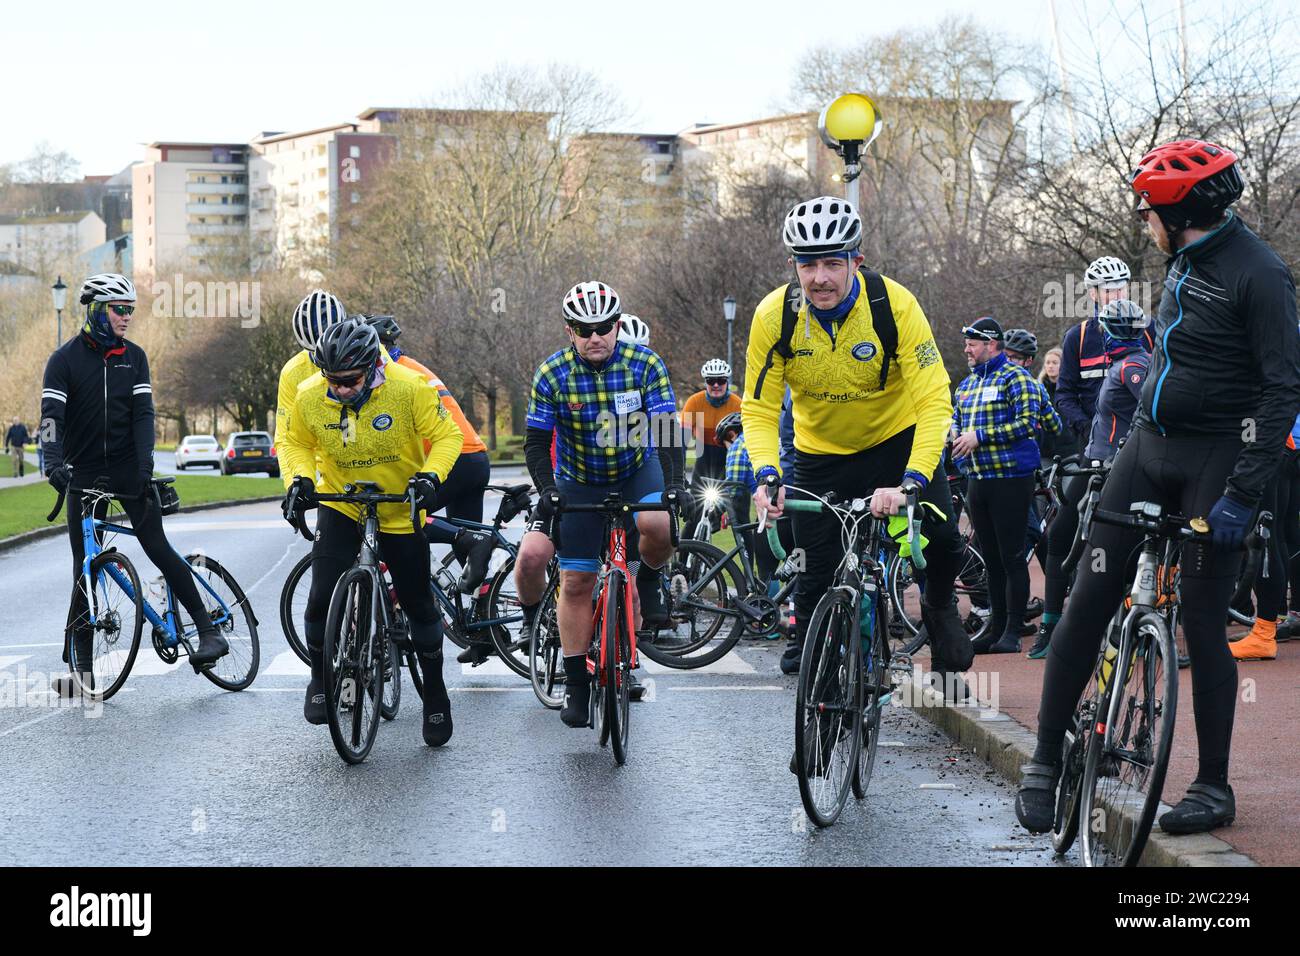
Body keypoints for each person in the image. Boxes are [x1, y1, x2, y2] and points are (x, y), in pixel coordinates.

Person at [1017, 139, 1300, 837]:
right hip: (1147, 445)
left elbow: (1282, 387)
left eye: (1149, 207)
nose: (1144, 218)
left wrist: (1245, 490)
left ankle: (1211, 786)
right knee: (1089, 594)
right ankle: (1046, 761)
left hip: (1215, 460)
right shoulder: (1182, 259)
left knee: (1203, 619)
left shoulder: (1260, 274)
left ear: (1178, 210)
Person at [743, 196, 972, 700]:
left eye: (832, 263)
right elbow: (758, 410)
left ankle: (936, 607)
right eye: (808, 264)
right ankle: (820, 699)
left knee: (944, 543)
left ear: (856, 262)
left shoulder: (894, 306)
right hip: (820, 455)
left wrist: (912, 480)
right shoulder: (774, 316)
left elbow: (935, 400)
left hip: (898, 443)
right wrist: (766, 475)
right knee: (813, 567)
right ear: (793, 266)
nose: (820, 277)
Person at [42, 273, 229, 696]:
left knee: (157, 546)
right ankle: (82, 671)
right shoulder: (64, 360)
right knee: (83, 568)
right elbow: (52, 419)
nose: (127, 317)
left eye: (131, 309)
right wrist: (53, 464)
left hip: (129, 468)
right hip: (83, 471)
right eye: (119, 309)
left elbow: (144, 416)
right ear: (97, 311)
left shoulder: (136, 358)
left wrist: (144, 466)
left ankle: (207, 631)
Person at [279, 318, 463, 745]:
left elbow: (448, 435)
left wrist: (430, 477)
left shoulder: (409, 388)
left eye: (351, 381)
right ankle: (318, 679)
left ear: (372, 367)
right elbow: (294, 443)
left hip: (401, 502)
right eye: (333, 381)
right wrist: (300, 480)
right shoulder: (309, 397)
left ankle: (434, 693)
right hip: (341, 500)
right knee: (321, 596)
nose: (340, 389)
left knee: (418, 603)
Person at [523, 282, 686, 728]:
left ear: (617, 326)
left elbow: (668, 429)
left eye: (603, 328)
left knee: (660, 524)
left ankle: (647, 581)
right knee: (576, 581)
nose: (595, 337)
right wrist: (547, 489)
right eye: (583, 329)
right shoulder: (552, 373)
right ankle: (576, 683)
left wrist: (675, 485)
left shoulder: (645, 363)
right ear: (569, 331)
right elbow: (536, 444)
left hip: (637, 467)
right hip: (580, 479)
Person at [360, 314, 495, 663]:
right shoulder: (410, 365)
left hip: (452, 457)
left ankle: (465, 542)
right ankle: (484, 629)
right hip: (473, 456)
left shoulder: (396, 376)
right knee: (470, 557)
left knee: (404, 517)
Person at [1032, 300, 1152, 660]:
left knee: (1112, 547)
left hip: (1115, 465)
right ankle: (1053, 625)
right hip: (1094, 460)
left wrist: (1127, 449)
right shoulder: (1119, 359)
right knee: (1059, 538)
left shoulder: (1133, 365)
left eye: (1108, 329)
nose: (1103, 335)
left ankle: (1131, 629)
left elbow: (1153, 412)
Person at [952, 318, 1058, 655]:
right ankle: (995, 627)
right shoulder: (967, 384)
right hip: (978, 481)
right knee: (992, 560)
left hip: (1011, 479)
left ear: (991, 344)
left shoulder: (1017, 379)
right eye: (966, 343)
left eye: (972, 343)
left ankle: (1013, 630)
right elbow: (956, 418)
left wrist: (979, 437)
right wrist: (951, 432)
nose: (967, 349)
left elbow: (1027, 424)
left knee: (1013, 557)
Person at [681, 359, 742, 529]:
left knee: (740, 517)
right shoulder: (694, 402)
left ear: (727, 381)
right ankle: (684, 555)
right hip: (703, 461)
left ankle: (745, 555)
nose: (716, 385)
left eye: (721, 380)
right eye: (710, 381)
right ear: (705, 382)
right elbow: (682, 440)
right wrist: (679, 471)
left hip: (728, 463)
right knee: (693, 517)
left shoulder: (738, 404)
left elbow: (746, 442)